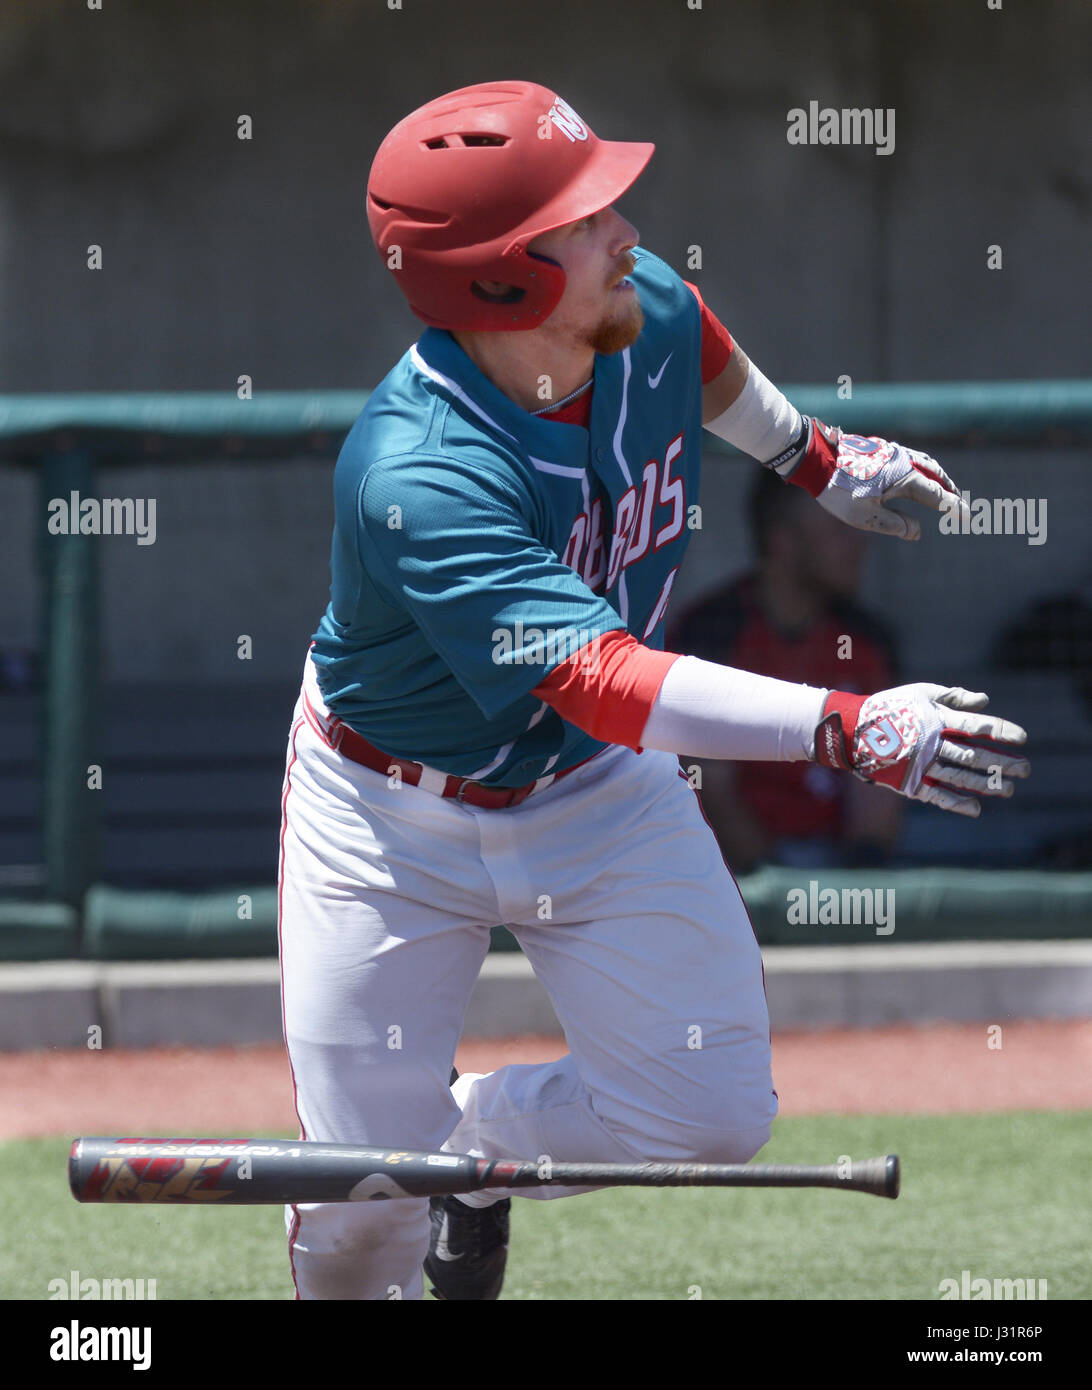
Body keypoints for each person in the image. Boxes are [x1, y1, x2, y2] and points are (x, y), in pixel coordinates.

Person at [277, 81, 1029, 1301]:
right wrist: (843, 726)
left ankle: (470, 1153)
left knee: (710, 1114)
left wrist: (819, 463)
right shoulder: (418, 472)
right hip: (389, 818)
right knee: (365, 1225)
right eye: (584, 218)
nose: (625, 230)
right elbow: (606, 682)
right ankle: (397, 1178)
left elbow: (709, 351)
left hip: (589, 791)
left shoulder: (639, 307)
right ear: (503, 277)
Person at [667, 468, 902, 872]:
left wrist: (852, 888)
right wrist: (780, 895)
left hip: (839, 869)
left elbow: (879, 787)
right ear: (784, 543)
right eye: (838, 531)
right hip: (730, 873)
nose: (857, 545)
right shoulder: (712, 634)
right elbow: (707, 785)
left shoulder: (868, 641)